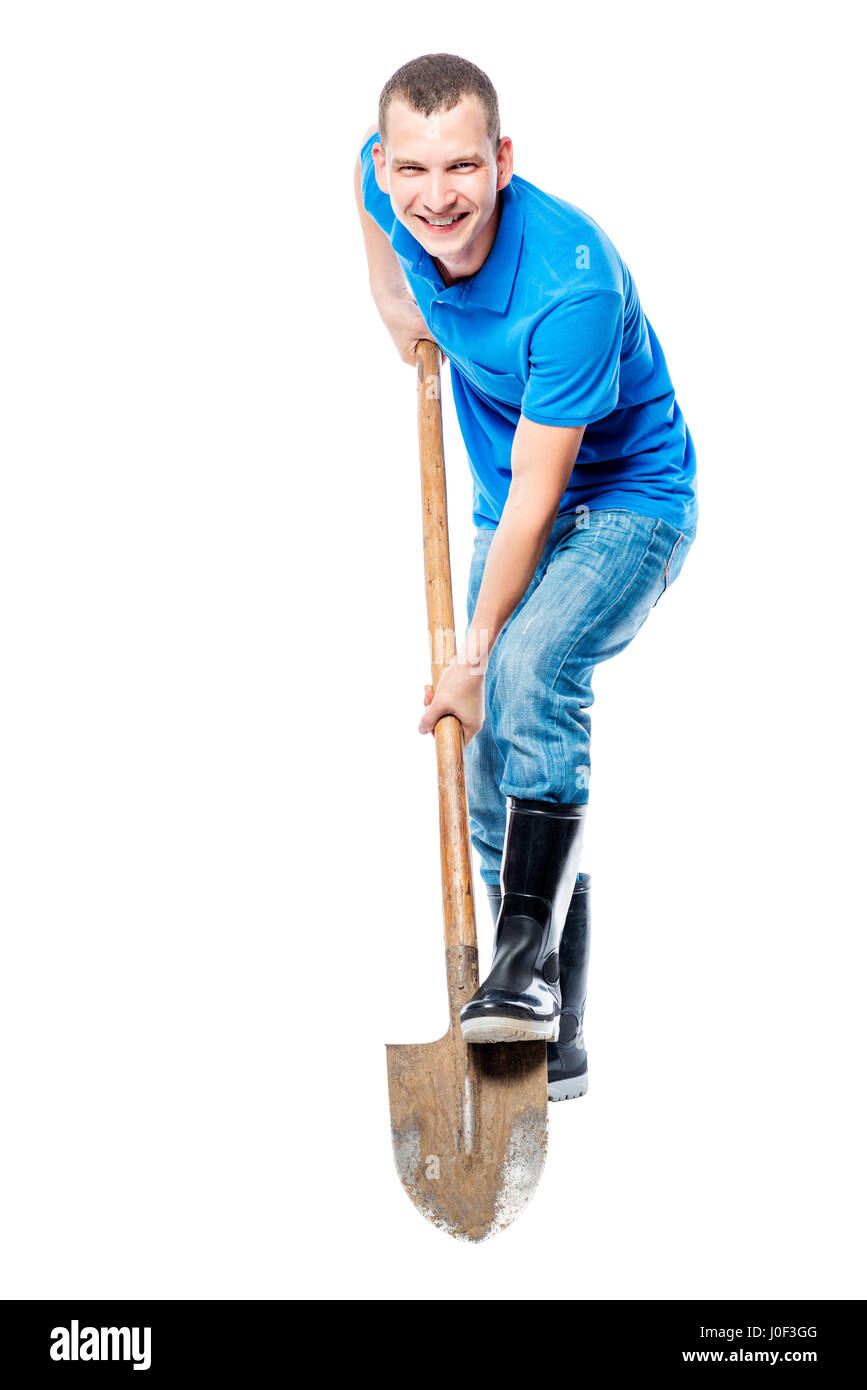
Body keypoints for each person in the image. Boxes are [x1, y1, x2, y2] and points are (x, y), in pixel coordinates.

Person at [354, 53, 697, 1102]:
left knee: (525, 666)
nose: (433, 195)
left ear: (503, 160)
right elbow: (361, 179)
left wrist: (473, 653)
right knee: (491, 759)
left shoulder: (570, 286)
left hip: (627, 504)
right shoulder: (388, 179)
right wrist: (392, 303)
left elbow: (546, 500)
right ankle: (554, 1025)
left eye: (462, 165)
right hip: (515, 510)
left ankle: (522, 973)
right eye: (414, 168)